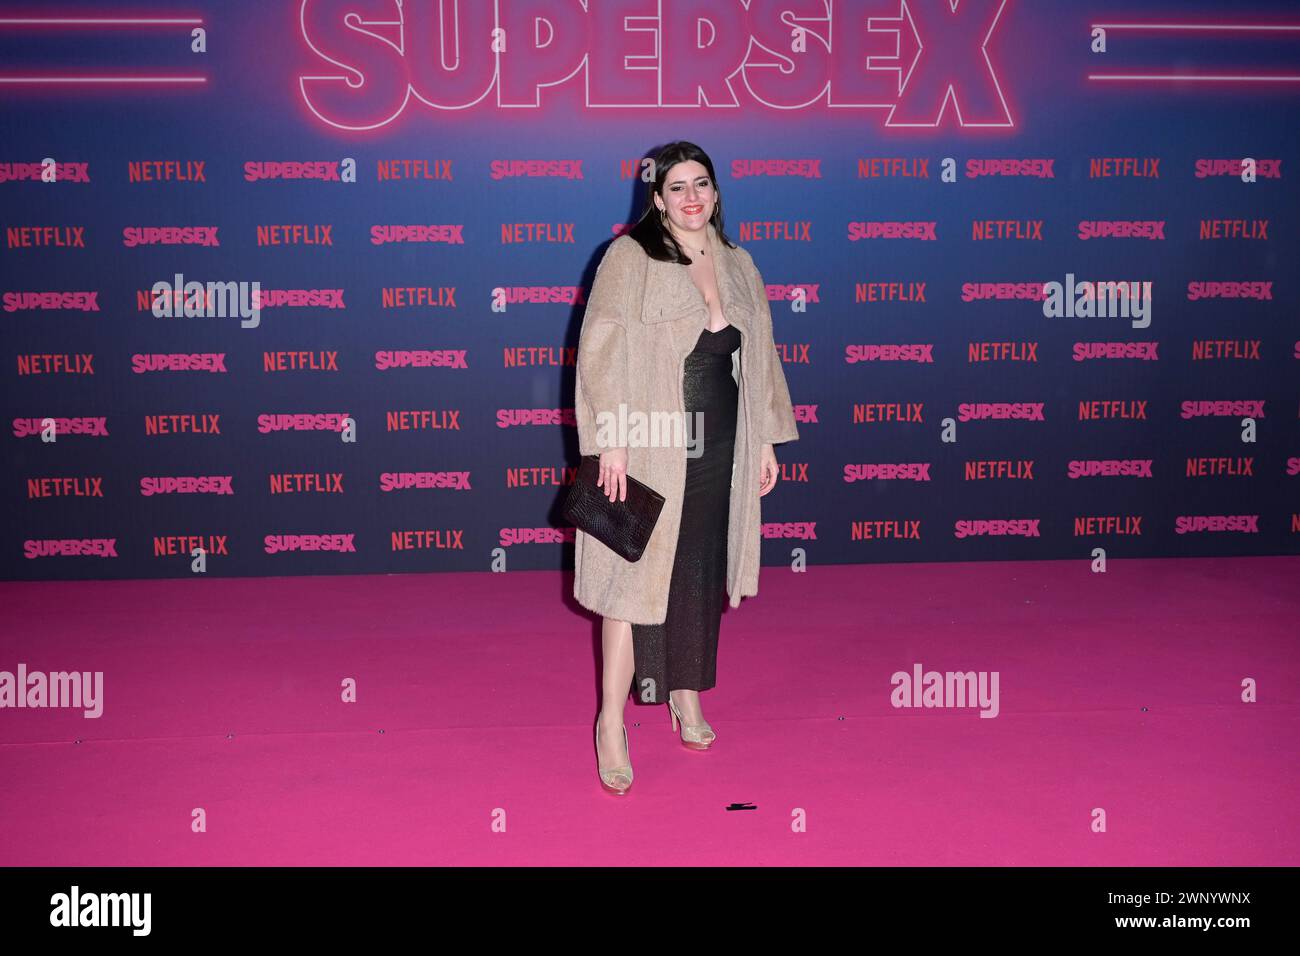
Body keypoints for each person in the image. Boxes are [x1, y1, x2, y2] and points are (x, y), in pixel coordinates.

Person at [573, 141, 799, 795]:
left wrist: (766, 440)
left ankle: (686, 693)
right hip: (649, 445)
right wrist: (609, 440)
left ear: (718, 193)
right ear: (656, 197)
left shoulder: (739, 264)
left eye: (702, 184)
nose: (692, 197)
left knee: (696, 575)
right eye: (677, 187)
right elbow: (601, 348)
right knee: (628, 584)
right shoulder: (630, 257)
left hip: (721, 449)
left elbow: (760, 359)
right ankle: (610, 724)